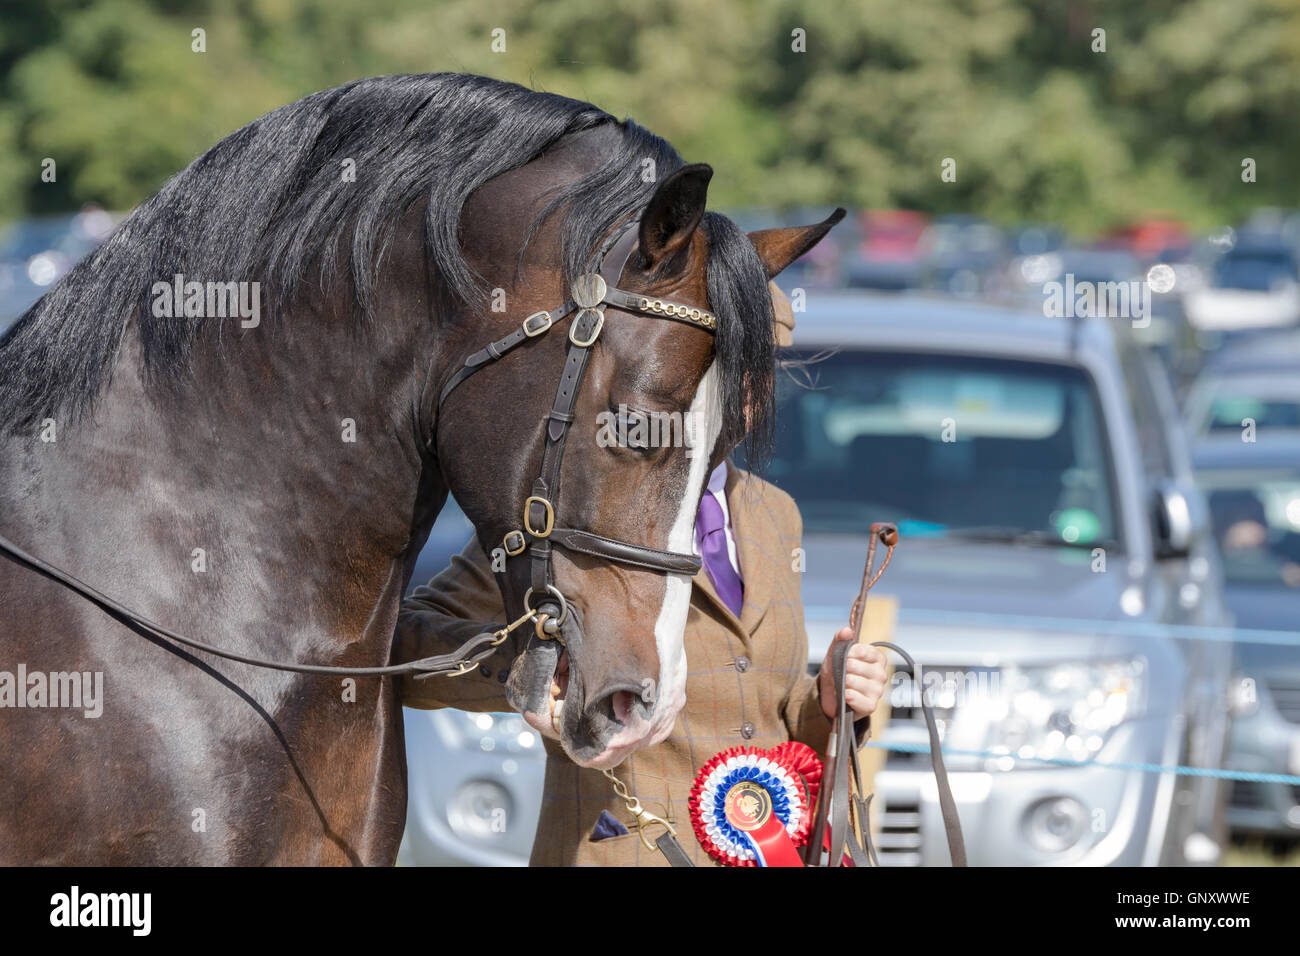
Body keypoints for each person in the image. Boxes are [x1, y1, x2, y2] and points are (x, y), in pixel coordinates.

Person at [394, 288, 888, 866]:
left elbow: (759, 708)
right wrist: (533, 671)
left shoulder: (777, 512)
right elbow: (407, 646)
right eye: (724, 362)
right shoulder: (573, 508)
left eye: (760, 365)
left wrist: (827, 703)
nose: (745, 387)